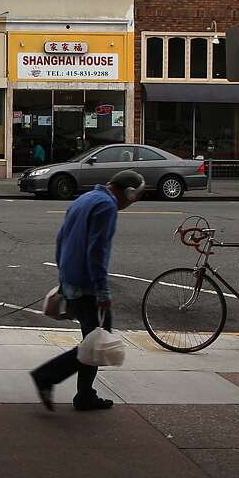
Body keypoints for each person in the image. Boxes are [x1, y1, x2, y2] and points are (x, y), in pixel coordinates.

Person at [30, 169, 144, 412]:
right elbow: (97, 251)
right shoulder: (106, 206)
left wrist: (63, 276)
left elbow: (61, 239)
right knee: (97, 341)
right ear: (129, 193)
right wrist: (102, 291)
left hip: (72, 279)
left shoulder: (86, 198)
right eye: (136, 196)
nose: (133, 202)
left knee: (93, 340)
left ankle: (83, 393)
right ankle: (49, 377)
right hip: (88, 286)